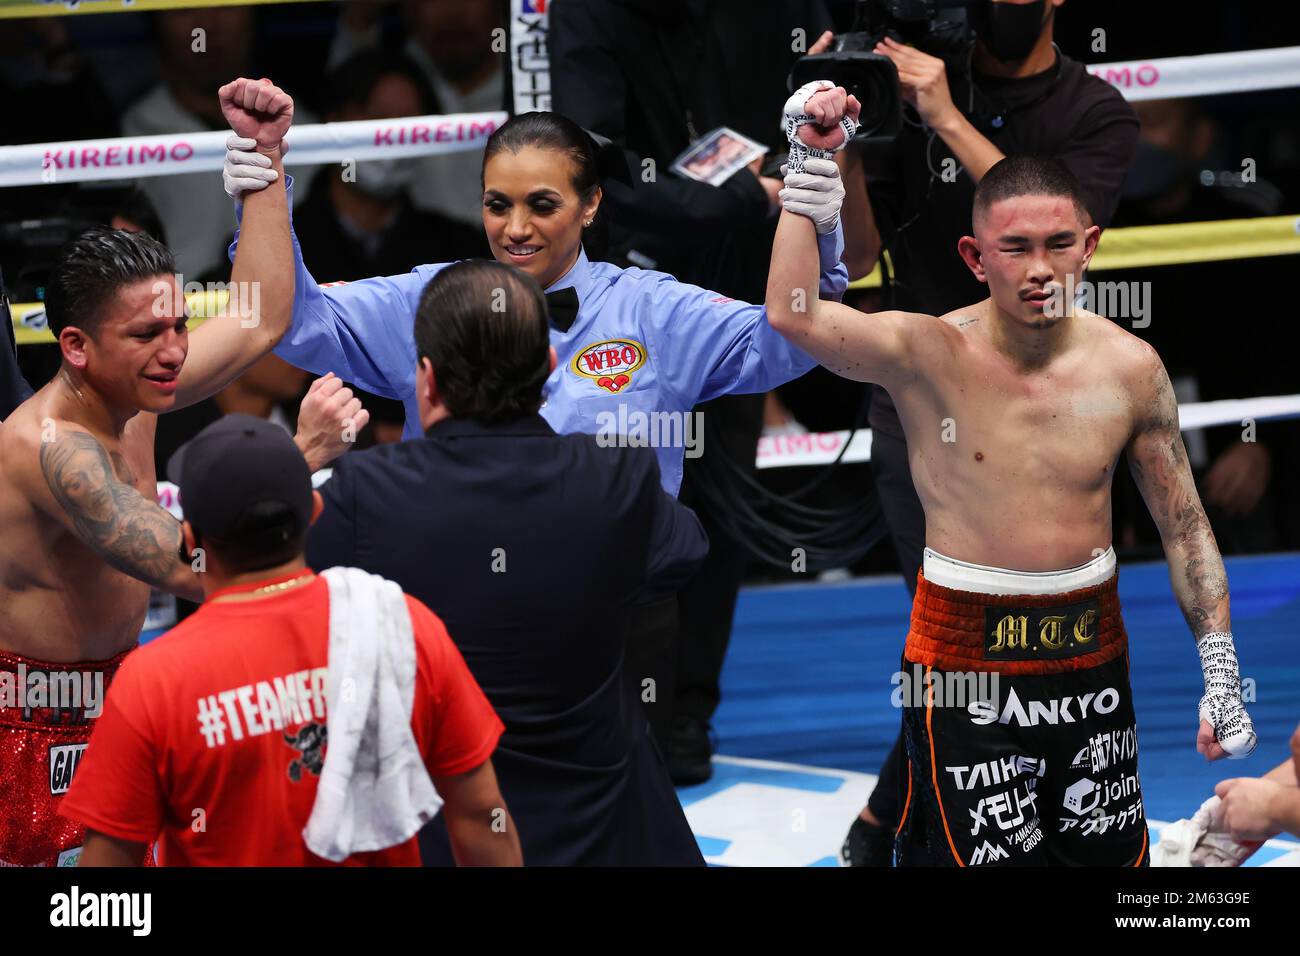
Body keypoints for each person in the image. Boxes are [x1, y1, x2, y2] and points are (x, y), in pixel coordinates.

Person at [221, 107, 847, 751]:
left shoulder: (653, 309)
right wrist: (265, 181)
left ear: (591, 206)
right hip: (456, 615)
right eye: (498, 205)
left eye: (542, 205)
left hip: (617, 622)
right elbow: (292, 320)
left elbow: (789, 343)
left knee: (621, 823)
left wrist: (809, 195)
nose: (515, 229)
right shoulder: (431, 301)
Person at [768, 86, 1255, 865]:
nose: (1039, 269)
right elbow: (794, 314)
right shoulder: (928, 356)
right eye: (1015, 248)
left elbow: (1184, 524)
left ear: (1089, 246)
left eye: (1058, 244)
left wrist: (1222, 671)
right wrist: (812, 160)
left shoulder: (1131, 368)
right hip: (964, 659)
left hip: (1092, 651)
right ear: (974, 257)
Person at [808, 0, 1140, 864]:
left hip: (1049, 398)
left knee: (1012, 629)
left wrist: (947, 119)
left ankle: (897, 818)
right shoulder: (909, 87)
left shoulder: (1093, 111)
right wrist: (838, 138)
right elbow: (866, 252)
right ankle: (909, 823)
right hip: (925, 391)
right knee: (947, 620)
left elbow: (1055, 243)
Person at [305, 259, 708, 866]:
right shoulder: (617, 478)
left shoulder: (365, 492)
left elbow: (245, 567)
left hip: (439, 834)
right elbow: (684, 553)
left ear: (427, 379)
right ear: (549, 369)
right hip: (603, 829)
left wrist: (303, 454)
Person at [0, 77, 300, 868]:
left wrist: (265, 164)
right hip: (32, 734)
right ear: (76, 347)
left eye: (177, 324)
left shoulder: (139, 387)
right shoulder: (53, 448)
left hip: (124, 705)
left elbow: (258, 317)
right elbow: (190, 565)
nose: (175, 349)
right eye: (147, 333)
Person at [549, 0, 836, 784]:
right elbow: (586, 166)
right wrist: (734, 198)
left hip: (732, 282)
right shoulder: (588, 17)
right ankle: (596, 705)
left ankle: (685, 715)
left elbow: (804, 116)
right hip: (620, 292)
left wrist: (814, 103)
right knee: (616, 500)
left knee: (720, 506)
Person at [59, 414, 520, 866]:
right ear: (314, 514)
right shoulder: (400, 624)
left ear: (190, 539)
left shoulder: (152, 681)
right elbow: (482, 815)